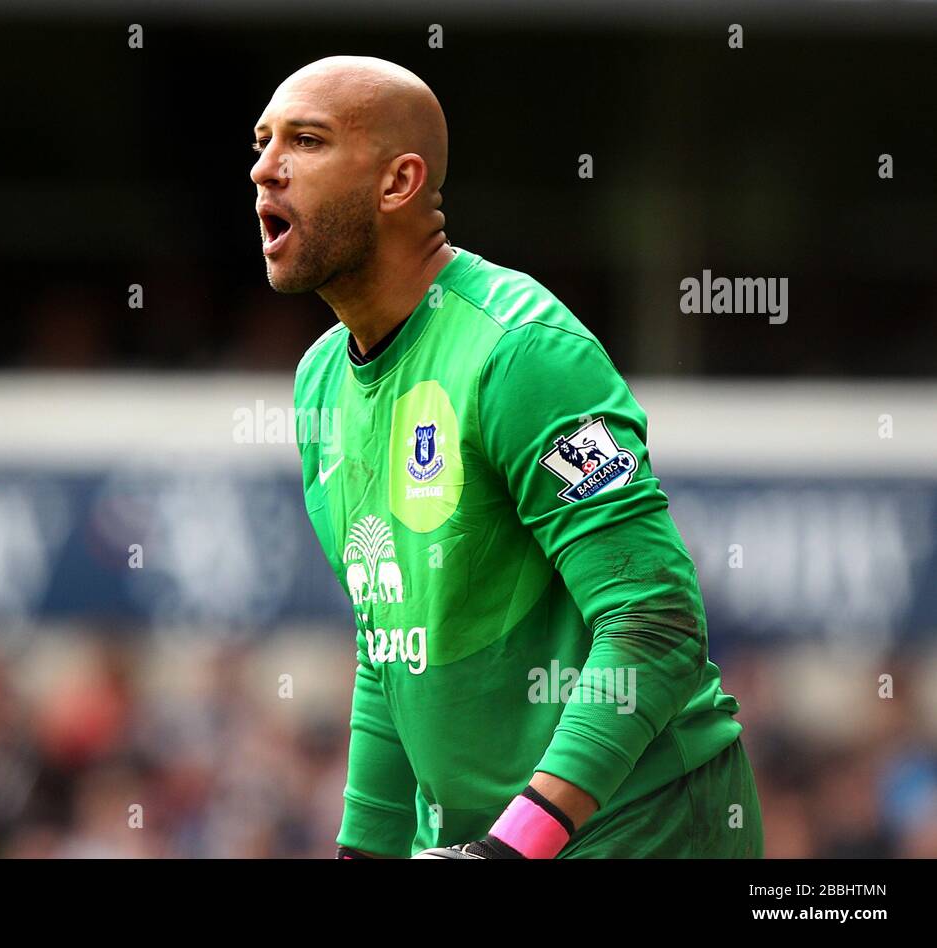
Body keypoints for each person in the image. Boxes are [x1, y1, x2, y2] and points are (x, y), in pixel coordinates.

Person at [250, 56, 762, 858]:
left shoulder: (520, 353)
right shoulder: (320, 382)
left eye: (304, 141)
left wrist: (516, 843)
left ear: (399, 182)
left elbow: (655, 623)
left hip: (636, 832)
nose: (264, 168)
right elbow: (390, 650)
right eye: (262, 141)